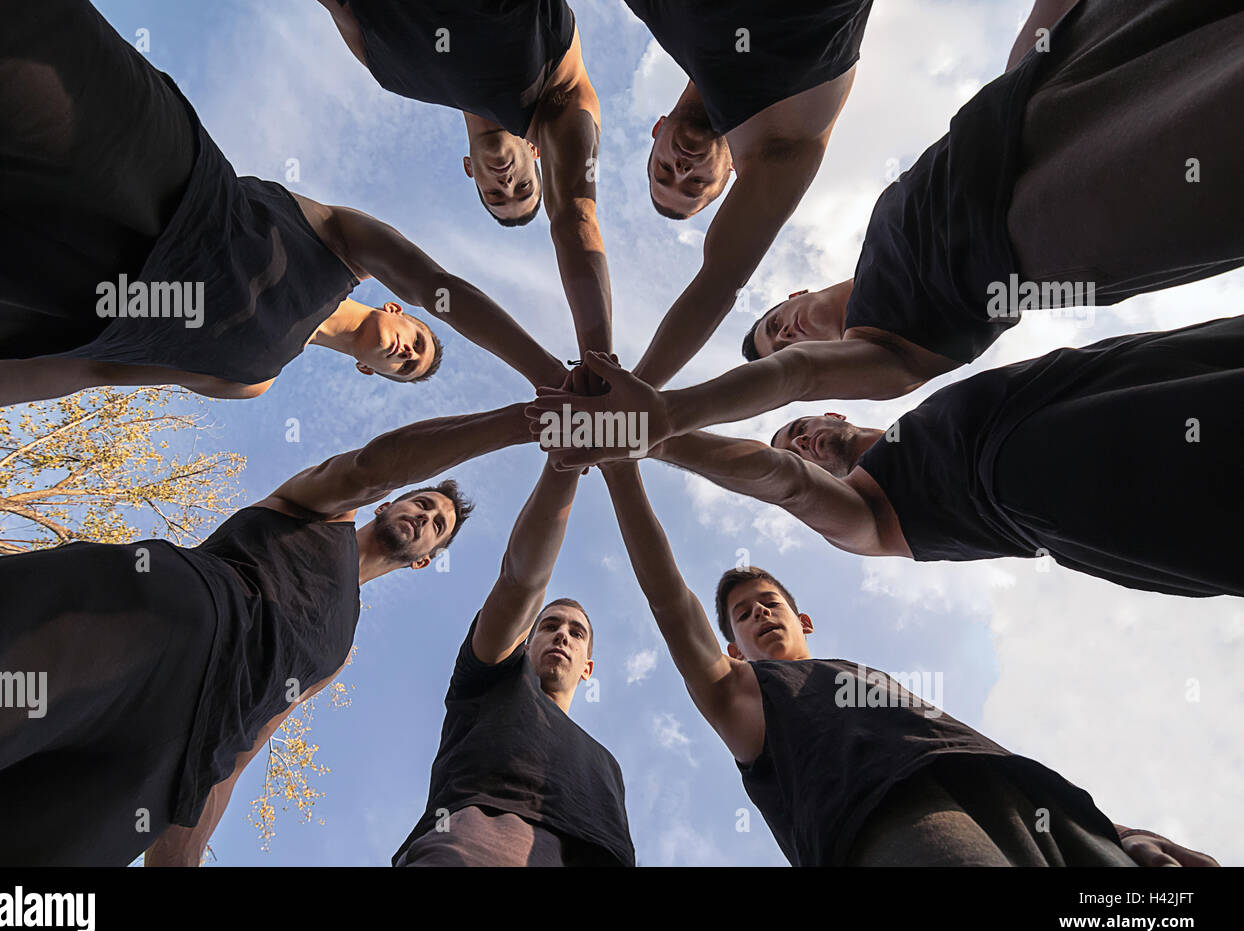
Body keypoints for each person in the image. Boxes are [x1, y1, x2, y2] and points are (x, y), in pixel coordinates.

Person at [535, 0, 1244, 464]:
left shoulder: (884, 231)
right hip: (1065, 205)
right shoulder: (889, 346)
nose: (786, 335)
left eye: (776, 322)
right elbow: (778, 355)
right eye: (783, 343)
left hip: (1042, 84)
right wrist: (648, 408)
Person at [0, 402, 534, 865]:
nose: (425, 517)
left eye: (437, 525)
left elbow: (242, 753)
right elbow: (368, 467)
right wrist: (517, 424)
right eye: (423, 501)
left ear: (426, 559)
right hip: (168, 625)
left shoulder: (337, 650)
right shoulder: (322, 509)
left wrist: (184, 855)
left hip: (170, 763)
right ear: (387, 504)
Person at [0, 0, 567, 427]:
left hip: (52, 293)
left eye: (404, 367)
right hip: (143, 166)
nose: (406, 352)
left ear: (368, 369)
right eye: (419, 343)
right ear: (399, 309)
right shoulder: (346, 248)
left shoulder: (249, 381)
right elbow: (446, 289)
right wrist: (545, 375)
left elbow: (90, 368)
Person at [600, 466, 1219, 867]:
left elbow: (967, 744)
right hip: (900, 828)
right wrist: (622, 469)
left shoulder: (869, 680)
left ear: (803, 619)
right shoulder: (743, 697)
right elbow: (673, 605)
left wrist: (1117, 828)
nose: (760, 613)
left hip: (1041, 810)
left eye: (770, 602)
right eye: (742, 614)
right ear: (732, 644)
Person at [586, 314, 1244, 597]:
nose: (802, 446)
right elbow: (778, 479)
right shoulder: (867, 516)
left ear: (832, 412)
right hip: (1056, 471)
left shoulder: (917, 404)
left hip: (1105, 372)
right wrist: (654, 433)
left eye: (799, 430)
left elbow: (805, 366)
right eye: (798, 451)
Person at [316, 0, 611, 358]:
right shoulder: (552, 92)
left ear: (470, 170)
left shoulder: (395, 74)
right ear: (537, 152)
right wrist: (599, 364)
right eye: (524, 186)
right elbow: (573, 217)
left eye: (494, 195)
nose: (506, 184)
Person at [392, 459, 634, 866]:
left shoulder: (607, 764)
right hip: (478, 845)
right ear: (524, 643)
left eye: (577, 633)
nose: (562, 634)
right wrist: (566, 461)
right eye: (550, 625)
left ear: (588, 668)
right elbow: (520, 581)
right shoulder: (494, 679)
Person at [622, 0, 873, 387]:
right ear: (733, 174)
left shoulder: (660, 15)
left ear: (657, 130)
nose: (683, 169)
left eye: (664, 170)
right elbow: (720, 279)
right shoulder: (778, 142)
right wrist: (638, 393)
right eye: (696, 184)